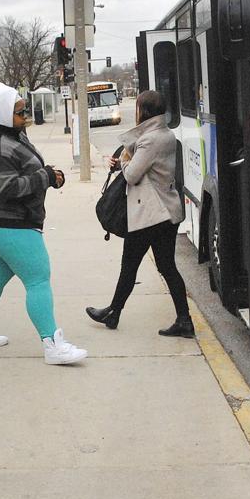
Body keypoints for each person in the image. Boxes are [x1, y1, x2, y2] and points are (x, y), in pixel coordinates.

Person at [0, 80, 86, 365]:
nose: (25, 115)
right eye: (19, 112)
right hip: (10, 224)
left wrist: (48, 176)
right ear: (2, 113)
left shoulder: (7, 134)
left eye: (24, 109)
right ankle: (53, 345)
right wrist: (44, 177)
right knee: (38, 279)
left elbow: (22, 172)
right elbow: (6, 188)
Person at [86, 90, 193, 337]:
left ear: (143, 110)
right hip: (165, 212)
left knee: (130, 265)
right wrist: (123, 162)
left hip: (149, 214)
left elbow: (133, 175)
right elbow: (146, 168)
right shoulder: (165, 134)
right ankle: (183, 320)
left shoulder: (150, 140)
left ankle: (113, 312)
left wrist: (123, 162)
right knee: (167, 267)